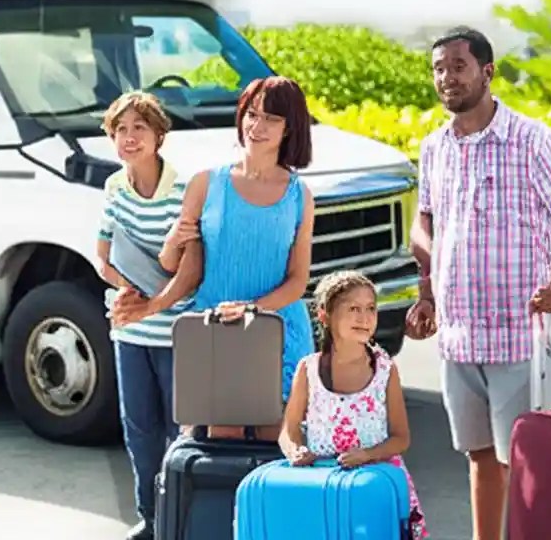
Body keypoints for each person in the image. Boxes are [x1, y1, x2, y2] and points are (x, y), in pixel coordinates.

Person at [404, 26, 551, 540]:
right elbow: (424, 222)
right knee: (481, 459)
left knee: (530, 464)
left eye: (458, 67)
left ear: (488, 72)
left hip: (518, 335)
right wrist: (427, 291)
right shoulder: (434, 148)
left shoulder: (532, 140)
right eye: (439, 69)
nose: (447, 78)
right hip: (458, 338)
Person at [163, 75, 316, 436]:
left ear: (290, 129)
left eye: (271, 119)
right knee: (220, 444)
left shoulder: (300, 196)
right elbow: (176, 267)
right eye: (251, 113)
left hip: (278, 329)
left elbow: (298, 281)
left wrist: (254, 309)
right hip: (215, 327)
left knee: (276, 447)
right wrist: (171, 242)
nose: (257, 126)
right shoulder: (205, 184)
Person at [94, 91, 204, 540]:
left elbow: (191, 269)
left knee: (183, 431)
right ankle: (152, 517)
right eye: (121, 129)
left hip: (177, 331)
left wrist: (151, 303)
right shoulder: (114, 186)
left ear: (159, 135)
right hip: (130, 331)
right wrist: (126, 293)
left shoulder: (184, 188)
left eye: (139, 127)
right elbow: (102, 255)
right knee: (139, 430)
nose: (129, 137)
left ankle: (185, 517)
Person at [279, 270, 428, 539]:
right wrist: (295, 450)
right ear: (324, 315)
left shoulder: (384, 370)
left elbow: (401, 439)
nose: (365, 318)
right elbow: (288, 430)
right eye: (354, 309)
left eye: (371, 309)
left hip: (377, 487)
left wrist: (367, 455)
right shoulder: (308, 370)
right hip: (325, 487)